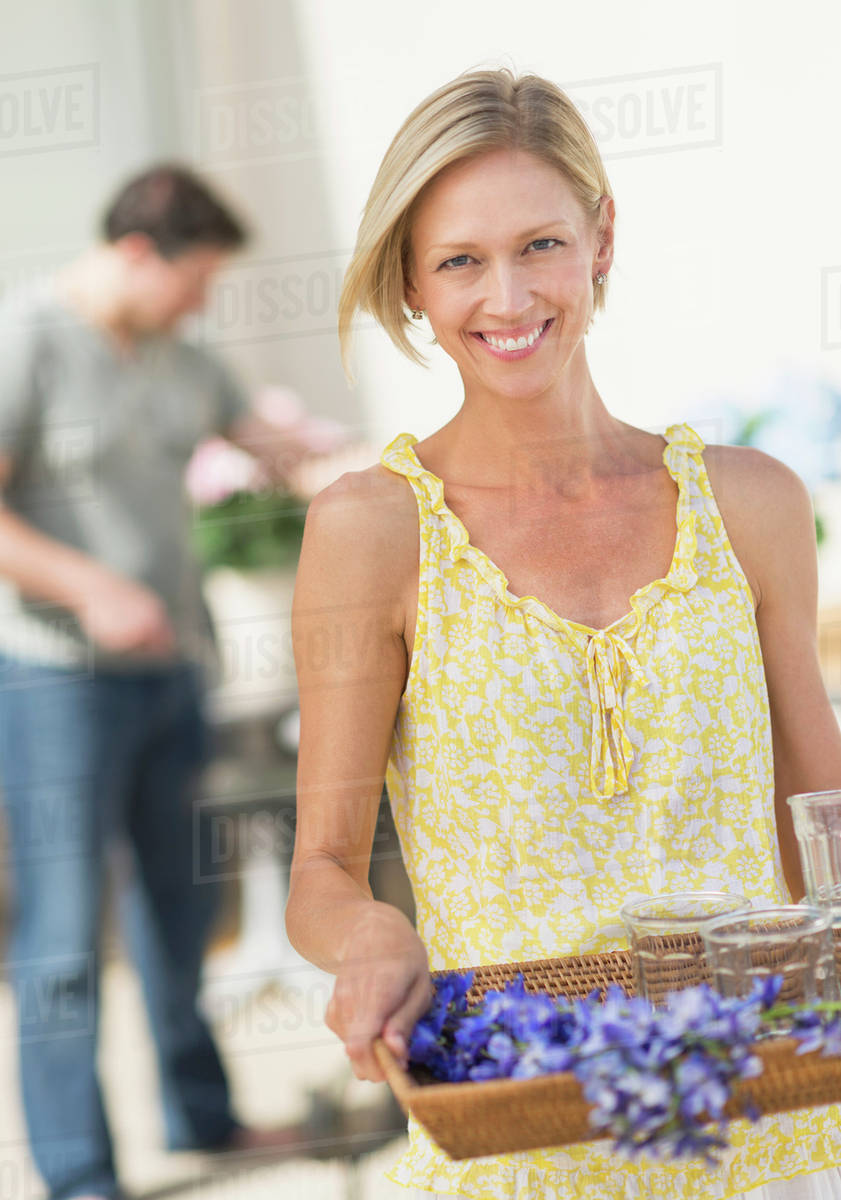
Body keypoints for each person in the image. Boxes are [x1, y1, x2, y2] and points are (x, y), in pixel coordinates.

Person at [285, 68, 841, 1199]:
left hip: (773, 1145)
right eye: (458, 260)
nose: (505, 297)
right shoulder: (370, 532)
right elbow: (323, 871)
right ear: (408, 282)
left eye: (538, 245)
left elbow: (819, 829)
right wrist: (372, 940)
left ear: (600, 239)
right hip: (519, 1157)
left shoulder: (754, 503)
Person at [0, 164, 304, 1200]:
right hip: (57, 685)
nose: (203, 300)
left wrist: (357, 465)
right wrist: (87, 588)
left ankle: (201, 1118)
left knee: (184, 914)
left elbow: (263, 442)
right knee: (64, 932)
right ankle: (81, 1176)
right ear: (138, 252)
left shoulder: (182, 357)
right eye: (197, 277)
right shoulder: (28, 340)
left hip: (174, 671)